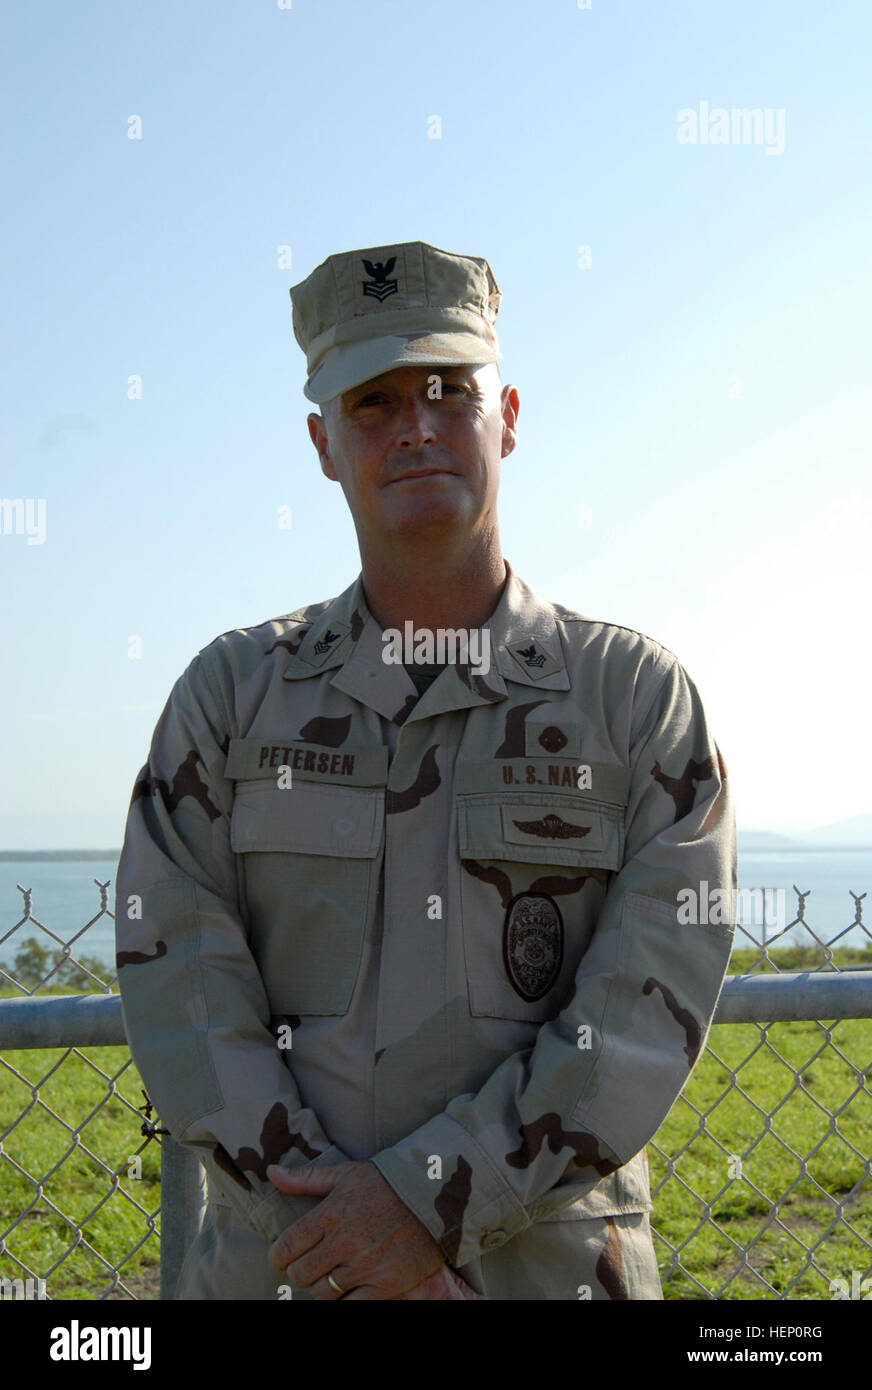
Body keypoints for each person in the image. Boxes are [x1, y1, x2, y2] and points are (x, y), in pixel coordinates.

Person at [114, 240, 737, 1300]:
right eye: (372, 401)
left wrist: (425, 1205)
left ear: (508, 416)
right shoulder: (230, 699)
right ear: (321, 442)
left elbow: (638, 1006)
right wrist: (353, 1248)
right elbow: (181, 980)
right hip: (286, 1272)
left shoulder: (632, 704)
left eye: (448, 391)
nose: (413, 426)